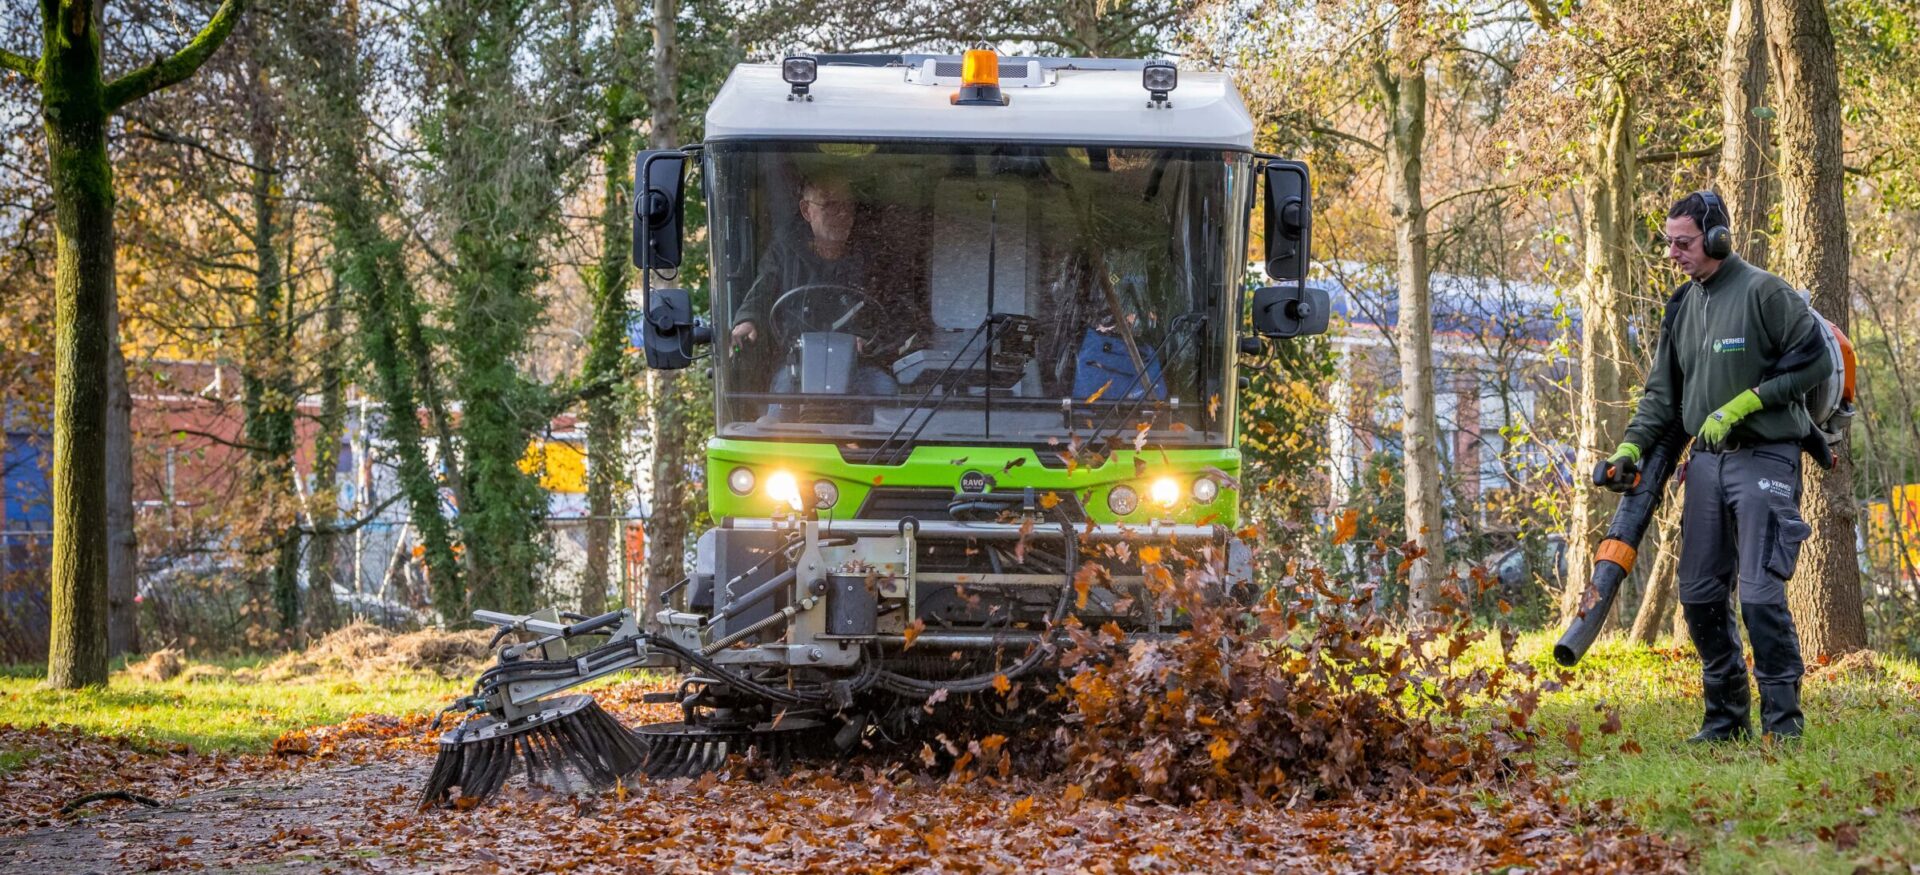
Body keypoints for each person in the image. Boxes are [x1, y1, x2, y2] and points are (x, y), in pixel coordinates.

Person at [1598, 191, 1830, 742]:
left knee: (1759, 596)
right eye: (1669, 244)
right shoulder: (1682, 305)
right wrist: (1630, 447)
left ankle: (1783, 725)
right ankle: (1725, 721)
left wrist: (1747, 402)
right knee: (1700, 594)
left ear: (1719, 239)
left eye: (1684, 243)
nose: (1673, 253)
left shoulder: (1763, 292)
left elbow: (1815, 358)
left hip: (1764, 455)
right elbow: (1662, 395)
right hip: (1704, 464)